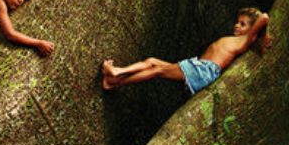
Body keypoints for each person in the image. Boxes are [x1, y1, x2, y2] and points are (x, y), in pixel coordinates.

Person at [101, 8, 271, 94]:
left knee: (157, 70)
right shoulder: (236, 39)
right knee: (152, 61)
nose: (237, 25)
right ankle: (116, 77)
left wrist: (262, 36)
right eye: (237, 21)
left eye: (243, 24)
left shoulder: (244, 40)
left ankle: (116, 77)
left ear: (252, 31)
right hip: (198, 66)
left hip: (203, 71)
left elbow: (264, 17)